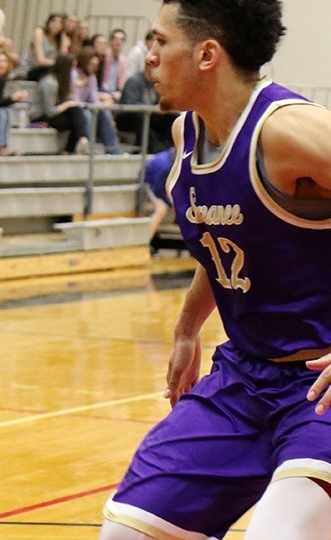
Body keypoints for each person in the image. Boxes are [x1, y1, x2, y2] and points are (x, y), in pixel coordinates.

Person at [100, 1, 331, 538]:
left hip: (319, 387)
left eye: (159, 41)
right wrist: (186, 330)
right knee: (127, 533)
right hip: (245, 378)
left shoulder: (290, 131)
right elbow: (226, 240)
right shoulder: (189, 136)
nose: (148, 56)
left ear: (207, 54)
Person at [32, 53, 87, 155]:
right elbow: (49, 111)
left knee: (77, 114)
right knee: (75, 115)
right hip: (41, 116)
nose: (74, 71)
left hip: (53, 115)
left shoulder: (61, 82)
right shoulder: (50, 82)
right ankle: (80, 141)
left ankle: (78, 142)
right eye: (72, 67)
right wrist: (67, 105)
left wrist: (73, 90)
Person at [71, 46, 121, 155]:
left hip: (87, 106)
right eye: (92, 65)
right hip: (74, 109)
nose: (95, 68)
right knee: (87, 115)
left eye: (96, 65)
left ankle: (113, 150)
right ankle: (87, 148)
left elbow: (94, 99)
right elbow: (75, 100)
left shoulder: (92, 77)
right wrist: (90, 106)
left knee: (104, 113)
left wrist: (103, 106)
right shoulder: (74, 75)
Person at [17, 12, 69, 82]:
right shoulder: (40, 32)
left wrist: (64, 39)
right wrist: (57, 63)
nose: (56, 25)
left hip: (47, 69)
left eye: (60, 23)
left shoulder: (60, 39)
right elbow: (40, 60)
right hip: (30, 69)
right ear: (48, 22)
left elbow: (63, 58)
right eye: (53, 21)